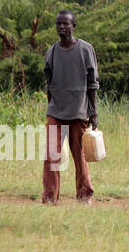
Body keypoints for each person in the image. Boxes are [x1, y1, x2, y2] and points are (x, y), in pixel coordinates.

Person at [42, 10, 99, 204]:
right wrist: (52, 103)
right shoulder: (52, 51)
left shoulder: (85, 49)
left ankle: (84, 195)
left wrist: (93, 113)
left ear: (74, 26)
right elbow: (49, 82)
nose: (61, 27)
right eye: (58, 24)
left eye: (66, 24)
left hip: (79, 112)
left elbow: (92, 84)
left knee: (79, 156)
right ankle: (50, 197)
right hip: (56, 112)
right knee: (51, 155)